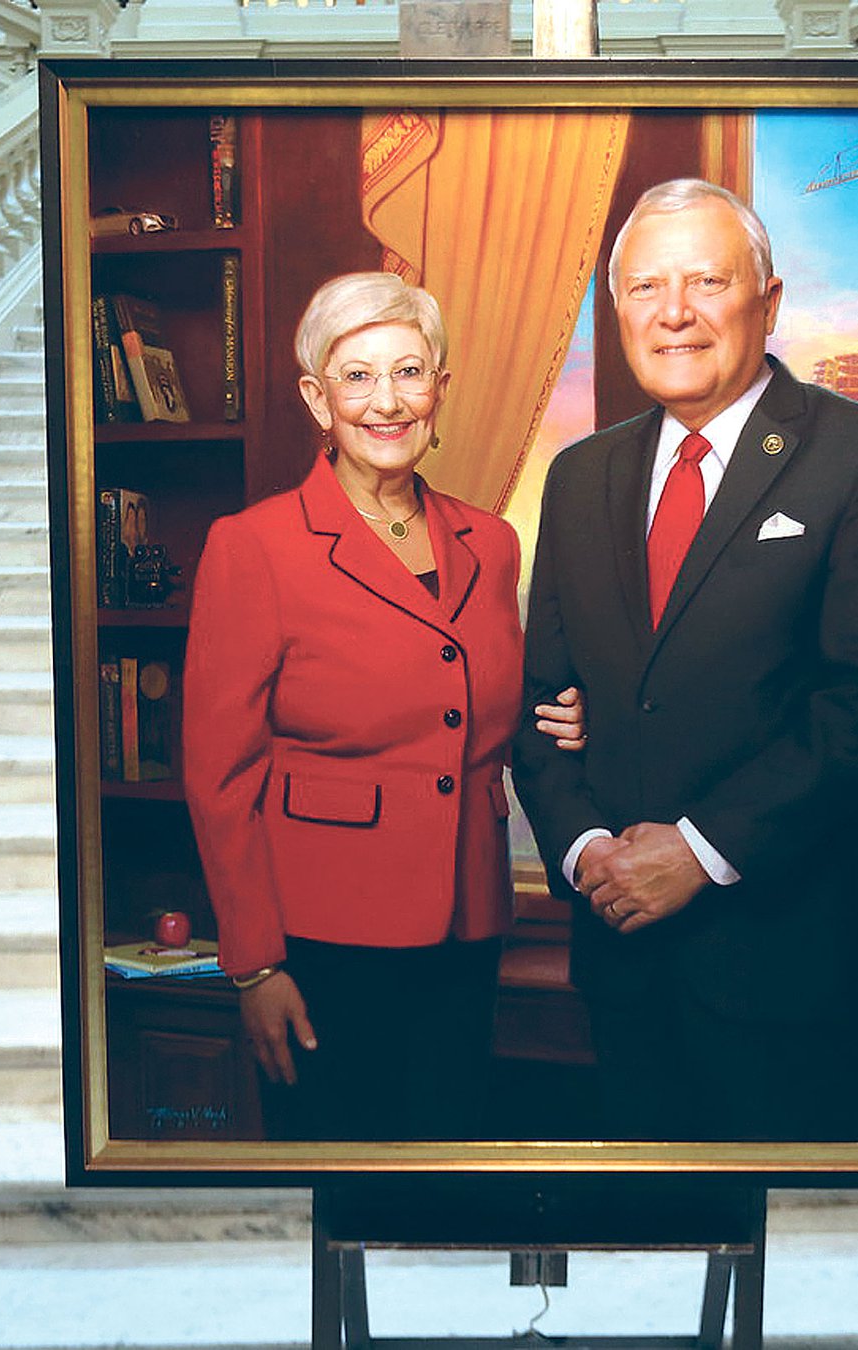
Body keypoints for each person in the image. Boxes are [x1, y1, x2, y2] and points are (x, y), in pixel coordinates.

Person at [513, 179, 858, 1142]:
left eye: (706, 281)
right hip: (620, 961)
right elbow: (544, 704)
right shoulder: (579, 476)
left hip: (785, 969)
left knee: (780, 1229)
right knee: (646, 1226)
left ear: (768, 301)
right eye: (645, 287)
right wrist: (587, 854)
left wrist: (697, 853)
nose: (674, 312)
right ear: (618, 311)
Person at [181, 272, 584, 1142]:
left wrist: (569, 719)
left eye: (408, 372)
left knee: (444, 1174)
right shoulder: (253, 547)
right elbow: (219, 776)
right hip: (319, 943)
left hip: (467, 929)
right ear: (316, 400)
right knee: (341, 1184)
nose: (386, 401)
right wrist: (254, 967)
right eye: (357, 377)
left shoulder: (491, 542)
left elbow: (488, 707)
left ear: (440, 387)